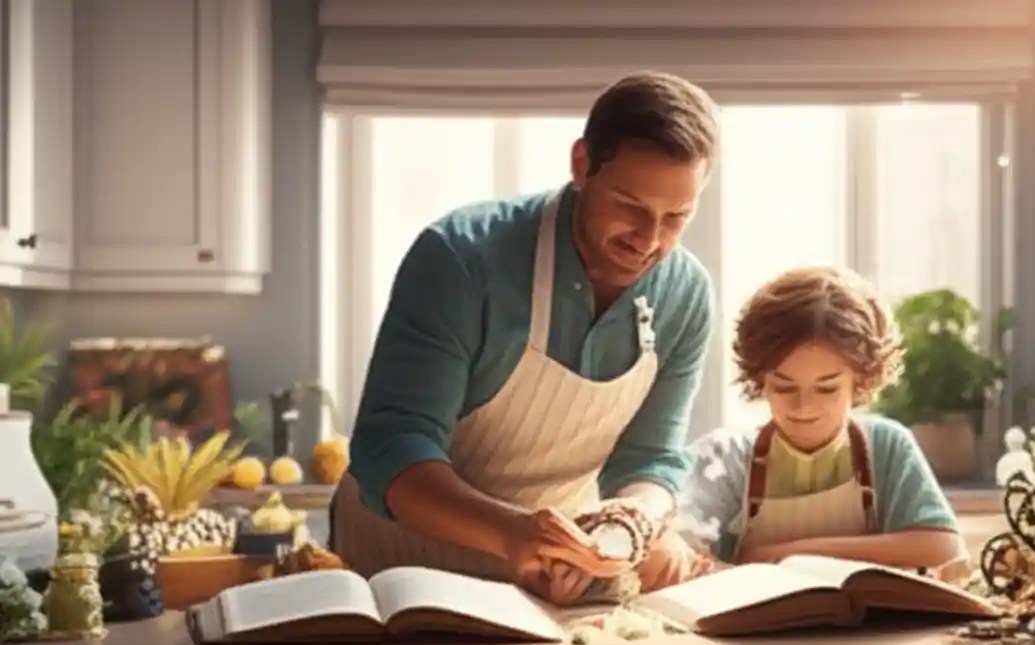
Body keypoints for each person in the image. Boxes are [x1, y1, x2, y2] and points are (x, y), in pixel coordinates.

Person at [330, 71, 719, 605]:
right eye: (630, 206)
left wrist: (634, 519)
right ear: (581, 163)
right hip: (398, 564)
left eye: (676, 218)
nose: (650, 241)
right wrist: (511, 533)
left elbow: (650, 460)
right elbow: (391, 448)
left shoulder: (686, 294)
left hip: (549, 579)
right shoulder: (462, 258)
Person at [640, 266, 967, 588]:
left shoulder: (885, 446)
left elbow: (942, 547)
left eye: (827, 388)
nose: (803, 407)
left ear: (861, 381)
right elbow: (670, 547)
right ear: (760, 379)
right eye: (784, 387)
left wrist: (790, 553)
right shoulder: (725, 457)